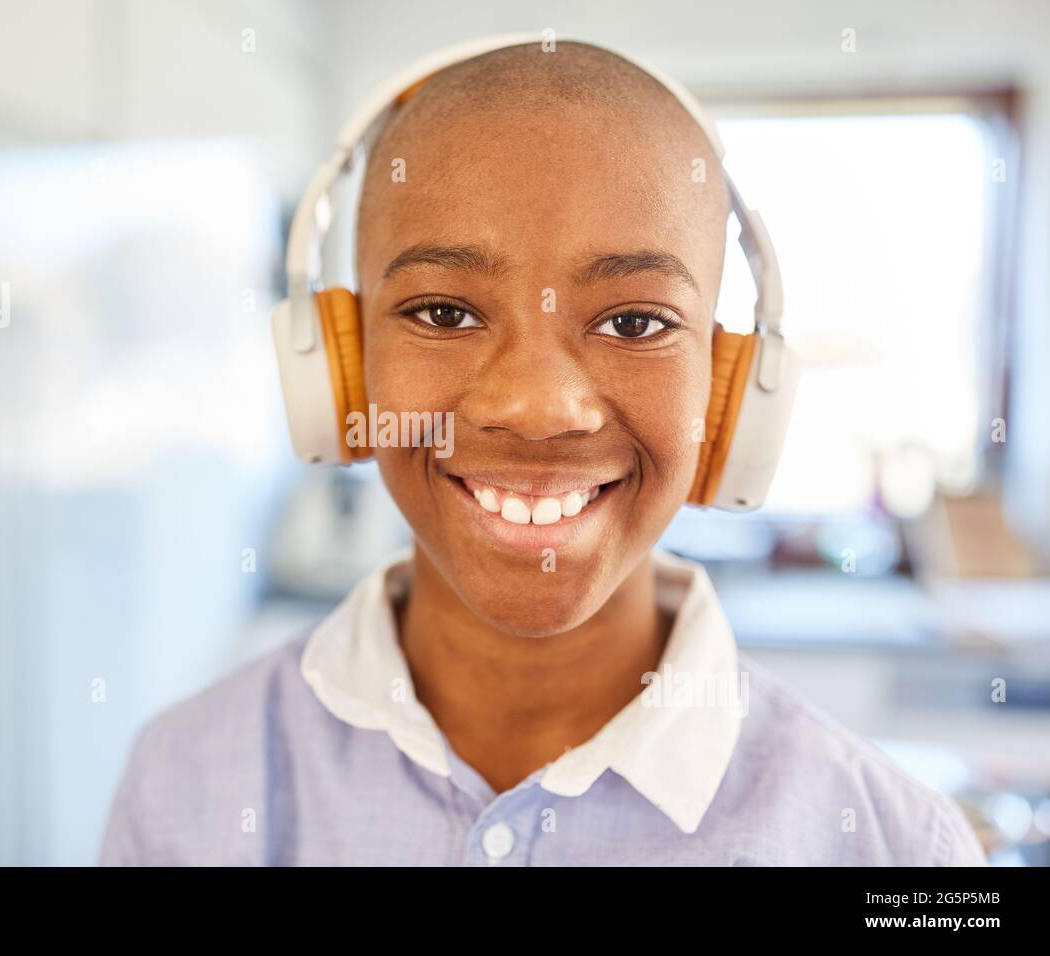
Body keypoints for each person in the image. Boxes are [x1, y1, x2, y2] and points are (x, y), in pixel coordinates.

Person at [98, 38, 987, 866]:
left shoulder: (898, 849)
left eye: (634, 323)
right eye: (444, 312)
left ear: (729, 389)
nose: (537, 409)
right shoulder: (185, 790)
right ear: (342, 368)